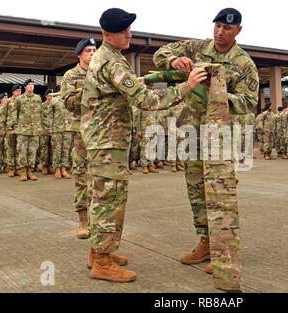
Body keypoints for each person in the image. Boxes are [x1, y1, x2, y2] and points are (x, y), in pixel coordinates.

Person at [81, 7, 207, 284]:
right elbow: (146, 101)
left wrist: (157, 78)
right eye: (122, 31)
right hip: (107, 141)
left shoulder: (110, 57)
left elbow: (132, 86)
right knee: (109, 199)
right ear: (105, 34)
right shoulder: (111, 63)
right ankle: (102, 262)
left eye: (129, 29)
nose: (128, 35)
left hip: (105, 139)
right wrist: (187, 86)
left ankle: (98, 252)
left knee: (102, 196)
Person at [153, 7, 259, 292]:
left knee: (220, 192)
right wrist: (175, 59)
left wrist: (219, 93)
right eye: (217, 26)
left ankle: (223, 251)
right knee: (196, 189)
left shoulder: (244, 63)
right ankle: (204, 241)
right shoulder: (196, 48)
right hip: (192, 132)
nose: (220, 32)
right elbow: (160, 53)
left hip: (221, 135)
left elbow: (249, 101)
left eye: (227, 28)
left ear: (238, 30)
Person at [61, 37, 97, 239]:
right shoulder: (71, 75)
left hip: (100, 130)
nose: (92, 54)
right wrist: (87, 91)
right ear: (79, 55)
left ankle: (96, 220)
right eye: (88, 51)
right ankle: (83, 221)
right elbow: (68, 102)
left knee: (99, 177)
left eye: (94, 50)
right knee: (82, 175)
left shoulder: (100, 72)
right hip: (81, 131)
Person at [15, 79, 42, 181]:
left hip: (34, 130)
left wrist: (40, 128)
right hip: (23, 130)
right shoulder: (20, 99)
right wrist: (15, 126)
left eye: (33, 85)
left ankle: (30, 170)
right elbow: (15, 113)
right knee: (22, 151)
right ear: (25, 87)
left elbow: (41, 114)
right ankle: (23, 172)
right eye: (29, 85)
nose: (31, 86)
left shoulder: (38, 98)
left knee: (32, 151)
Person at [4, 85, 22, 176]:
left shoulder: (23, 100)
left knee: (19, 149)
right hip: (10, 128)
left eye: (20, 90)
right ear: (13, 92)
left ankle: (18, 168)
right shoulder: (8, 101)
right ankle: (11, 168)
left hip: (20, 128)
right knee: (10, 148)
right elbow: (3, 115)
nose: (19, 92)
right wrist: (3, 128)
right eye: (17, 91)